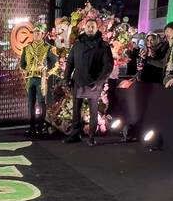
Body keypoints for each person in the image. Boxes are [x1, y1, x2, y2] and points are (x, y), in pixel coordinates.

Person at [64, 16, 113, 146]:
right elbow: (70, 63)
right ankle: (75, 134)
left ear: (97, 28)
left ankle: (91, 136)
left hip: (94, 83)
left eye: (93, 26)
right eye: (88, 26)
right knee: (76, 109)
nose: (90, 28)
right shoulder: (77, 43)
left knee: (93, 111)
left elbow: (108, 66)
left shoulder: (103, 45)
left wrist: (99, 81)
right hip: (78, 81)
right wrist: (67, 78)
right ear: (84, 27)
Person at [21, 32, 57, 135]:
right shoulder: (27, 48)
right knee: (30, 103)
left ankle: (41, 127)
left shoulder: (48, 48)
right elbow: (22, 64)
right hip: (30, 78)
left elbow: (56, 64)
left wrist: (47, 72)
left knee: (42, 102)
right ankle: (32, 127)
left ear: (42, 34)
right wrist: (28, 70)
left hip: (41, 79)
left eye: (38, 33)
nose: (36, 34)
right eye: (34, 32)